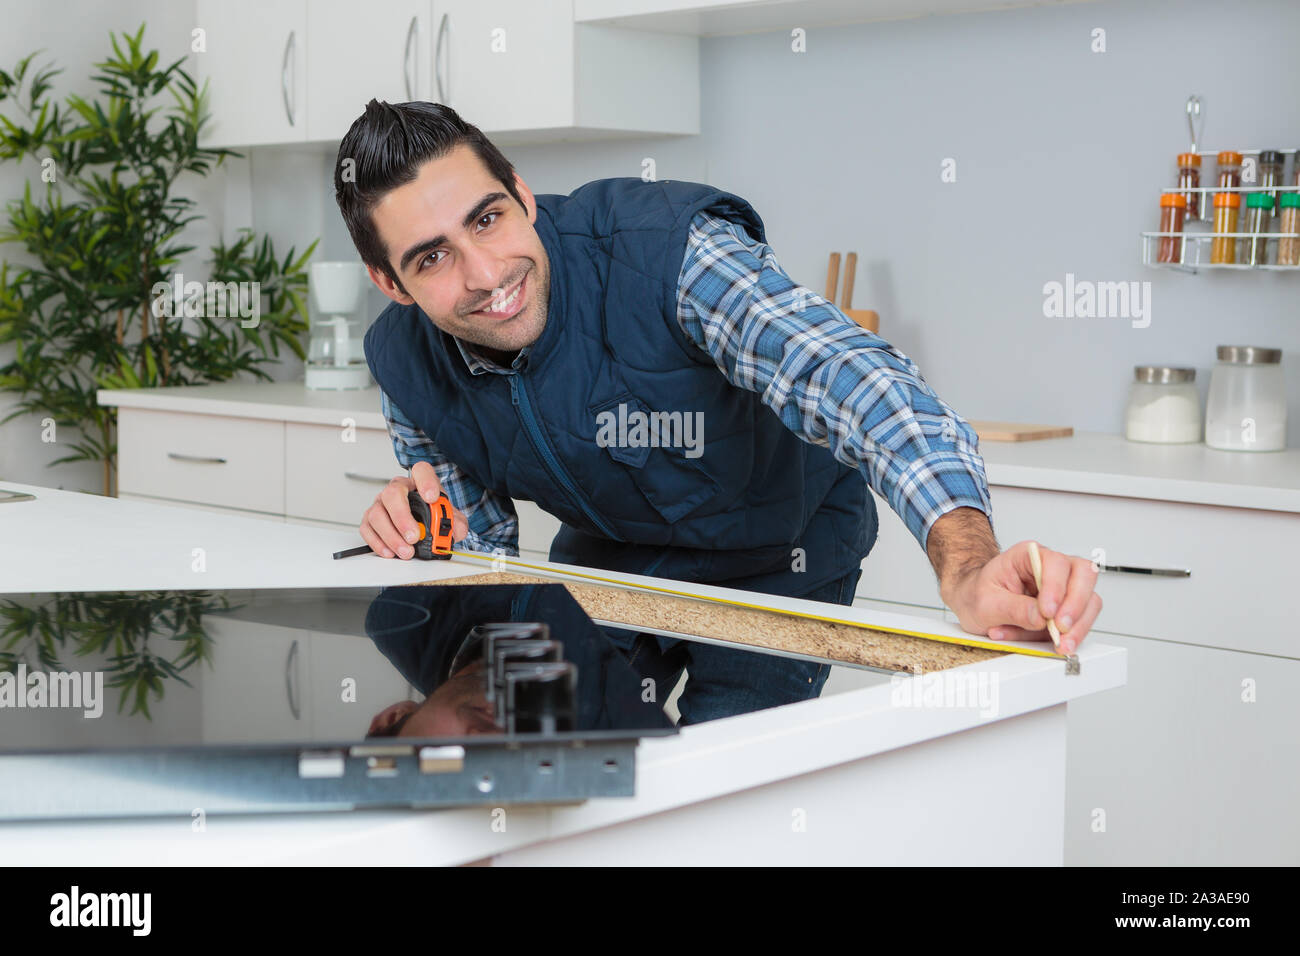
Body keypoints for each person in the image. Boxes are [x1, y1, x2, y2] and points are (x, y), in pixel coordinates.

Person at [334, 100, 1102, 724]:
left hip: (783, 549)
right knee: (577, 763)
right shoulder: (405, 362)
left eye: (488, 218)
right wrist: (422, 532)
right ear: (390, 282)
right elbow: (484, 555)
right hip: (613, 546)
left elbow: (853, 379)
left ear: (522, 193)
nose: (485, 272)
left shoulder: (668, 251)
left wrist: (967, 565)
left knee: (723, 786)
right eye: (430, 258)